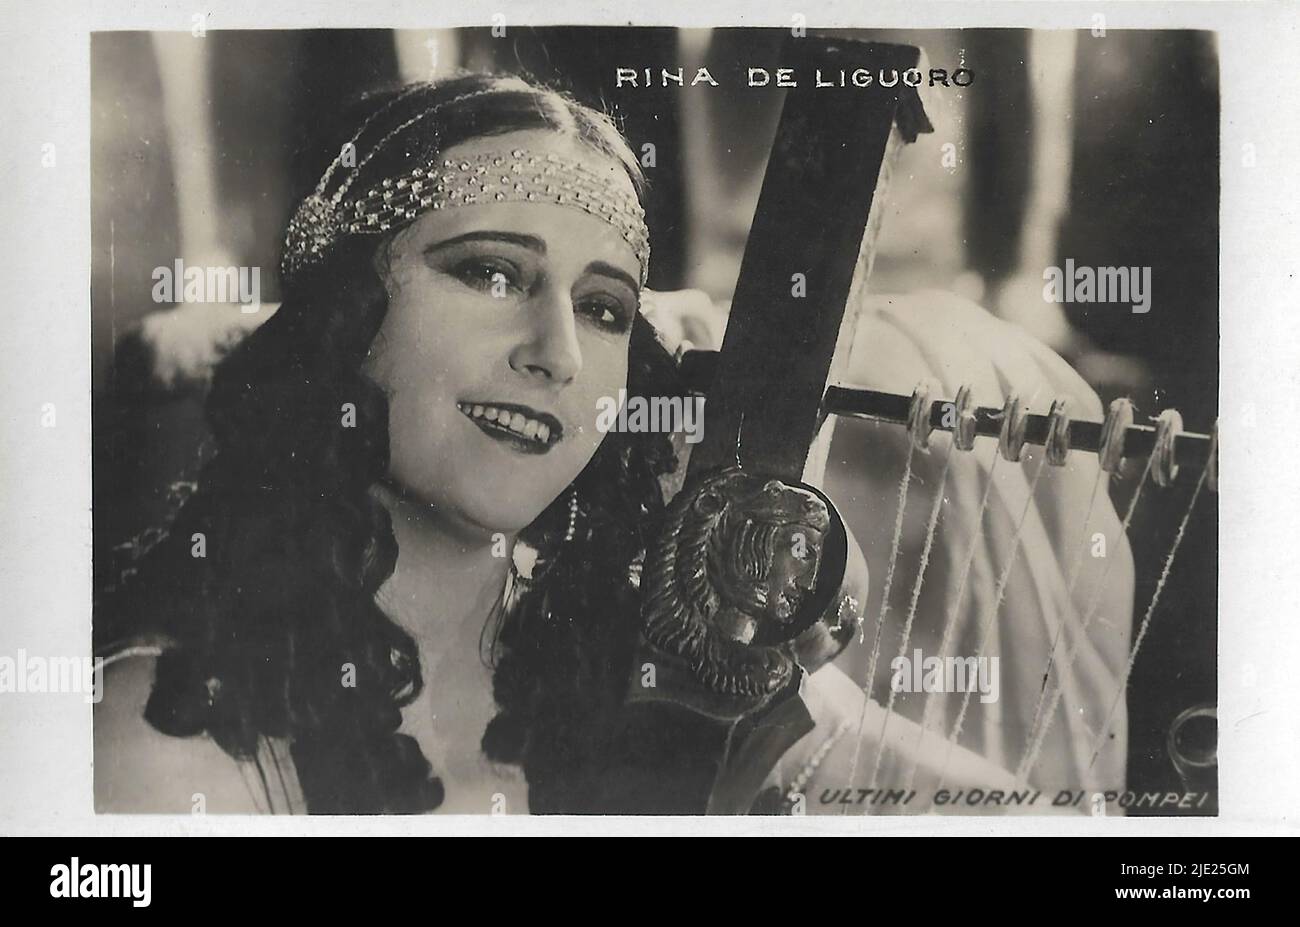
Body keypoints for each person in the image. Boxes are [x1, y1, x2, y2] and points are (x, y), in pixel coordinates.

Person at [94, 72, 1124, 815]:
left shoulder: (633, 665)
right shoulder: (157, 741)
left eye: (601, 311)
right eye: (491, 274)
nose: (555, 354)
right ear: (341, 315)